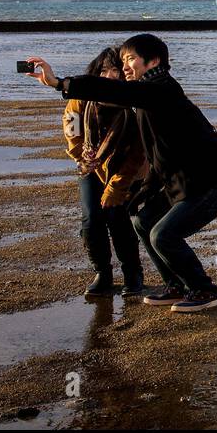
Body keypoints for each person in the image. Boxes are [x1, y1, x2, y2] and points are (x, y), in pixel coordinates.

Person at [26, 33, 217, 313]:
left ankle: (204, 290)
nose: (125, 66)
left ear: (154, 61)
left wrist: (60, 83)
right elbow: (155, 154)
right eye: (123, 59)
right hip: (184, 181)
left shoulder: (161, 90)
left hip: (214, 182)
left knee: (163, 235)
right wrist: (143, 191)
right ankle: (175, 285)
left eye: (130, 60)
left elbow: (115, 92)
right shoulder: (146, 96)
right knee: (144, 220)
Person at [63, 46, 146, 297]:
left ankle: (133, 273)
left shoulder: (134, 102)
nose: (110, 76)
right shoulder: (81, 99)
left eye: (115, 70)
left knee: (117, 218)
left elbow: (139, 151)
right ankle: (103, 273)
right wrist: (82, 157)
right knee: (91, 219)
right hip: (90, 168)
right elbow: (72, 130)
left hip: (125, 170)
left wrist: (118, 183)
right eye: (104, 71)